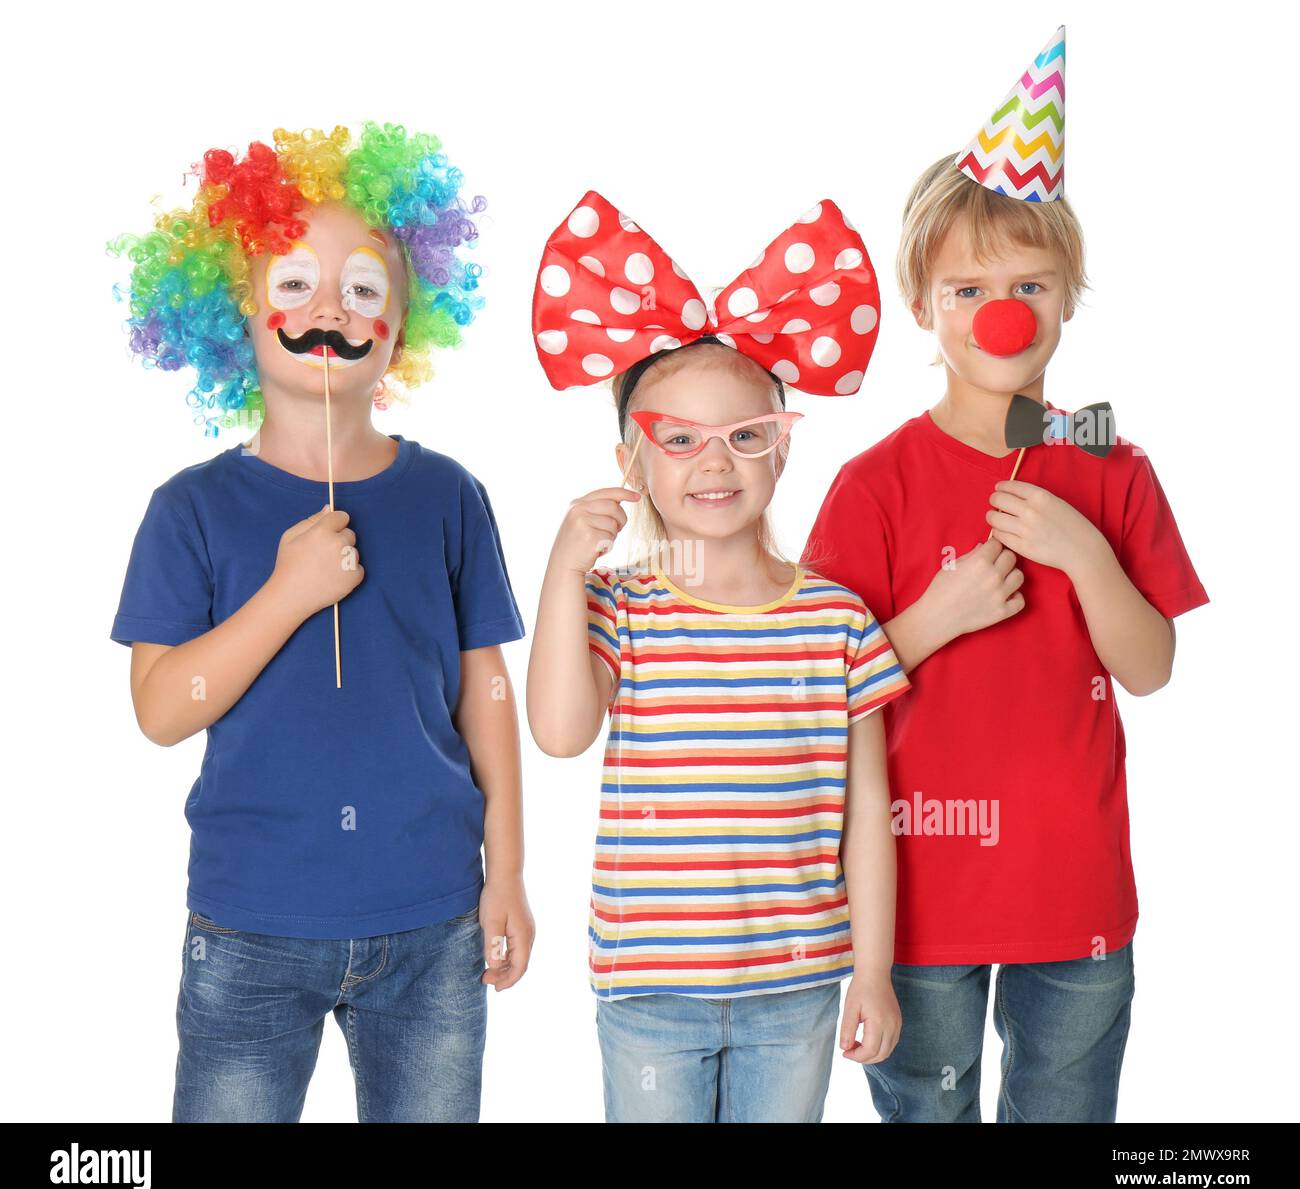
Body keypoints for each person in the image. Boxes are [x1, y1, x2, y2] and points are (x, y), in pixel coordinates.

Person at [802, 29, 1209, 1121]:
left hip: (1075, 887)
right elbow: (807, 685)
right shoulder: (871, 484)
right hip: (919, 896)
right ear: (923, 306)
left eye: (1029, 281)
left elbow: (1153, 666)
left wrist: (1084, 555)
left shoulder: (1110, 465)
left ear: (1068, 296)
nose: (1002, 310)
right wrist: (932, 619)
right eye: (968, 286)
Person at [108, 122, 532, 1122]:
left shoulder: (449, 496)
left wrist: (506, 871)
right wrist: (287, 593)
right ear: (235, 312)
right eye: (295, 284)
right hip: (250, 921)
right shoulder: (190, 510)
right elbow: (164, 710)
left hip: (433, 920)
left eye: (363, 289)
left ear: (400, 323)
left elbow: (488, 692)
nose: (330, 310)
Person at [527, 191, 909, 1121]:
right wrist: (562, 571)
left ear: (782, 454)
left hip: (800, 979)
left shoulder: (837, 620)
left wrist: (875, 969)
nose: (716, 462)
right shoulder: (626, 605)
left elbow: (868, 810)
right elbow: (560, 733)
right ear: (633, 463)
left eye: (746, 437)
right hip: (650, 980)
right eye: (681, 440)